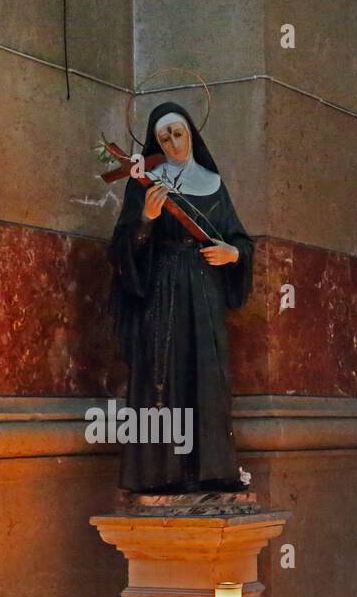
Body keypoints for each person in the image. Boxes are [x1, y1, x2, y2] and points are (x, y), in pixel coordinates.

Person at [107, 102, 254, 494]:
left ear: (192, 133)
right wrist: (147, 221)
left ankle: (211, 470)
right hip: (162, 290)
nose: (173, 143)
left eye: (178, 133)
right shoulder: (145, 182)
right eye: (164, 137)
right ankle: (160, 472)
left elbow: (238, 238)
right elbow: (122, 247)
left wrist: (233, 254)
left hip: (205, 290)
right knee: (163, 371)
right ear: (155, 143)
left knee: (207, 371)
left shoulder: (212, 182)